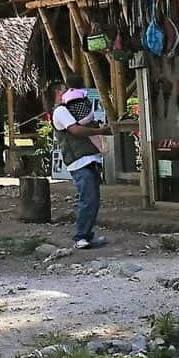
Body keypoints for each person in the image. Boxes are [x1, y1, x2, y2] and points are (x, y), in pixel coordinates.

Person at [50, 83, 106, 250]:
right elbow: (76, 131)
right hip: (78, 160)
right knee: (88, 198)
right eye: (64, 89)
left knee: (93, 199)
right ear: (57, 93)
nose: (68, 91)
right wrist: (101, 131)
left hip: (89, 157)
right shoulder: (60, 111)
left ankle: (87, 235)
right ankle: (81, 236)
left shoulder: (71, 108)